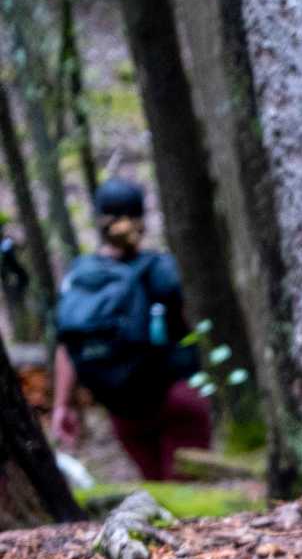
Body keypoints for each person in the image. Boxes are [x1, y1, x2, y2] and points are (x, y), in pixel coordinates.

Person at [49, 178, 211, 481]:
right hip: (173, 398)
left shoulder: (80, 276)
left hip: (122, 409)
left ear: (99, 219)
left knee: (159, 490)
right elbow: (182, 327)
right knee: (188, 492)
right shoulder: (158, 268)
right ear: (140, 218)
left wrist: (61, 405)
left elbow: (66, 345)